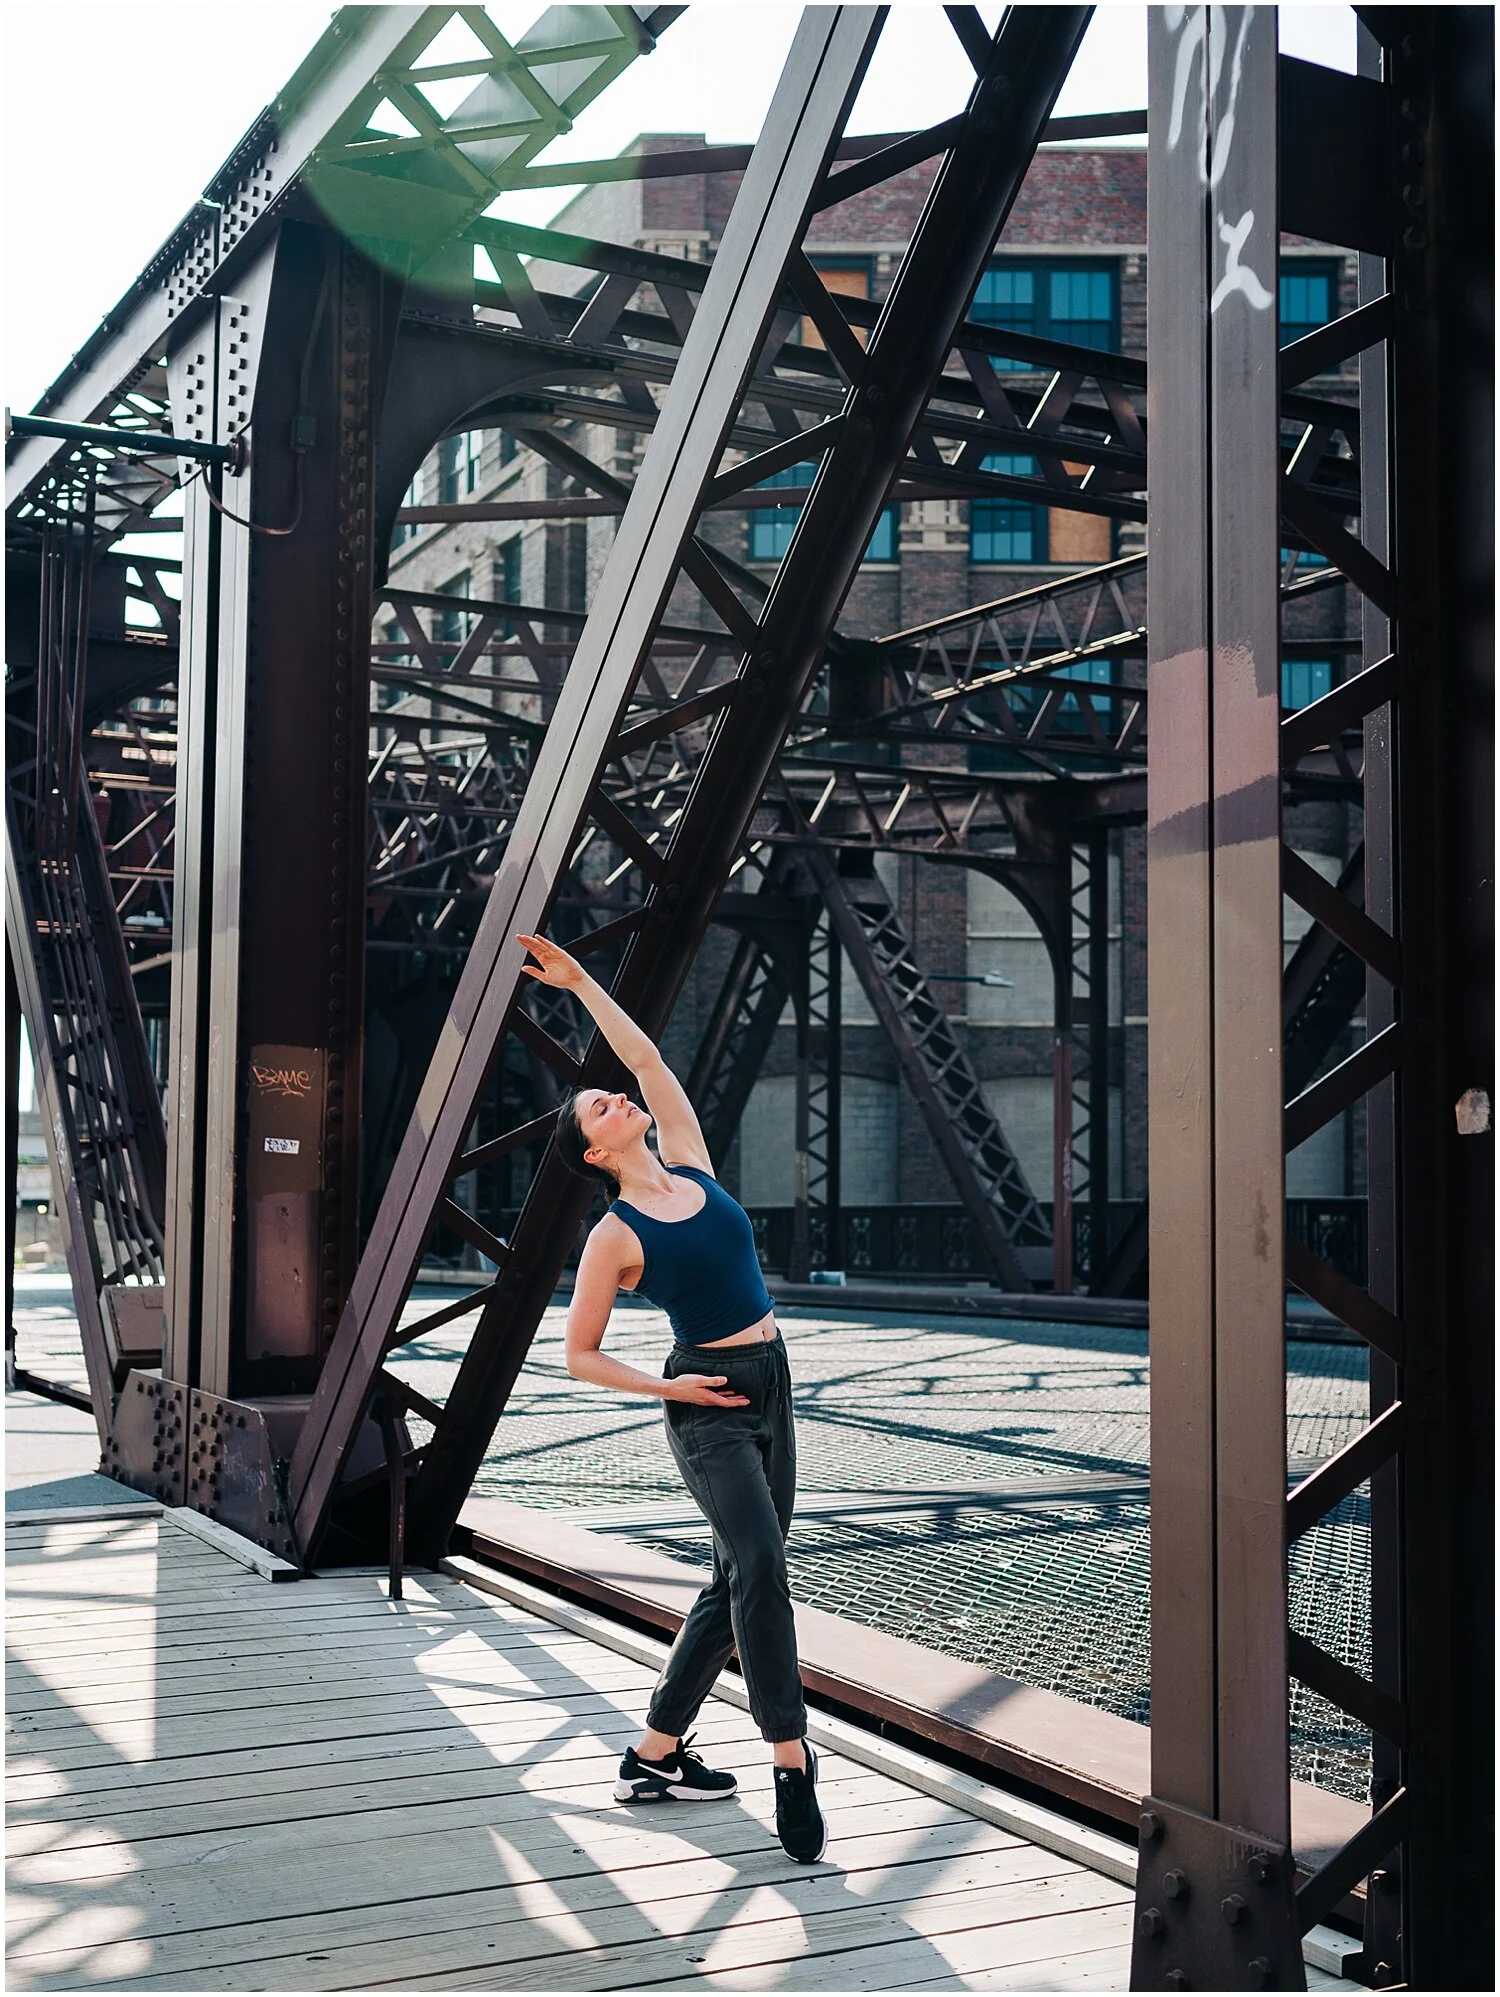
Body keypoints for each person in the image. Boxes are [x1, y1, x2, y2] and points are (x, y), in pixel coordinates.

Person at [516, 931, 827, 1864]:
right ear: (595, 1150)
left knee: (733, 1574)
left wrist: (579, 985)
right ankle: (790, 1752)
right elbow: (579, 1354)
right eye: (596, 1106)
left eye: (610, 1093)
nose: (615, 1096)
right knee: (763, 1567)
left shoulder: (687, 1160)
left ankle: (653, 1751)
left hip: (772, 1380)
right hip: (706, 1404)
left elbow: (645, 1056)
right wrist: (665, 1384)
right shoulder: (615, 1233)